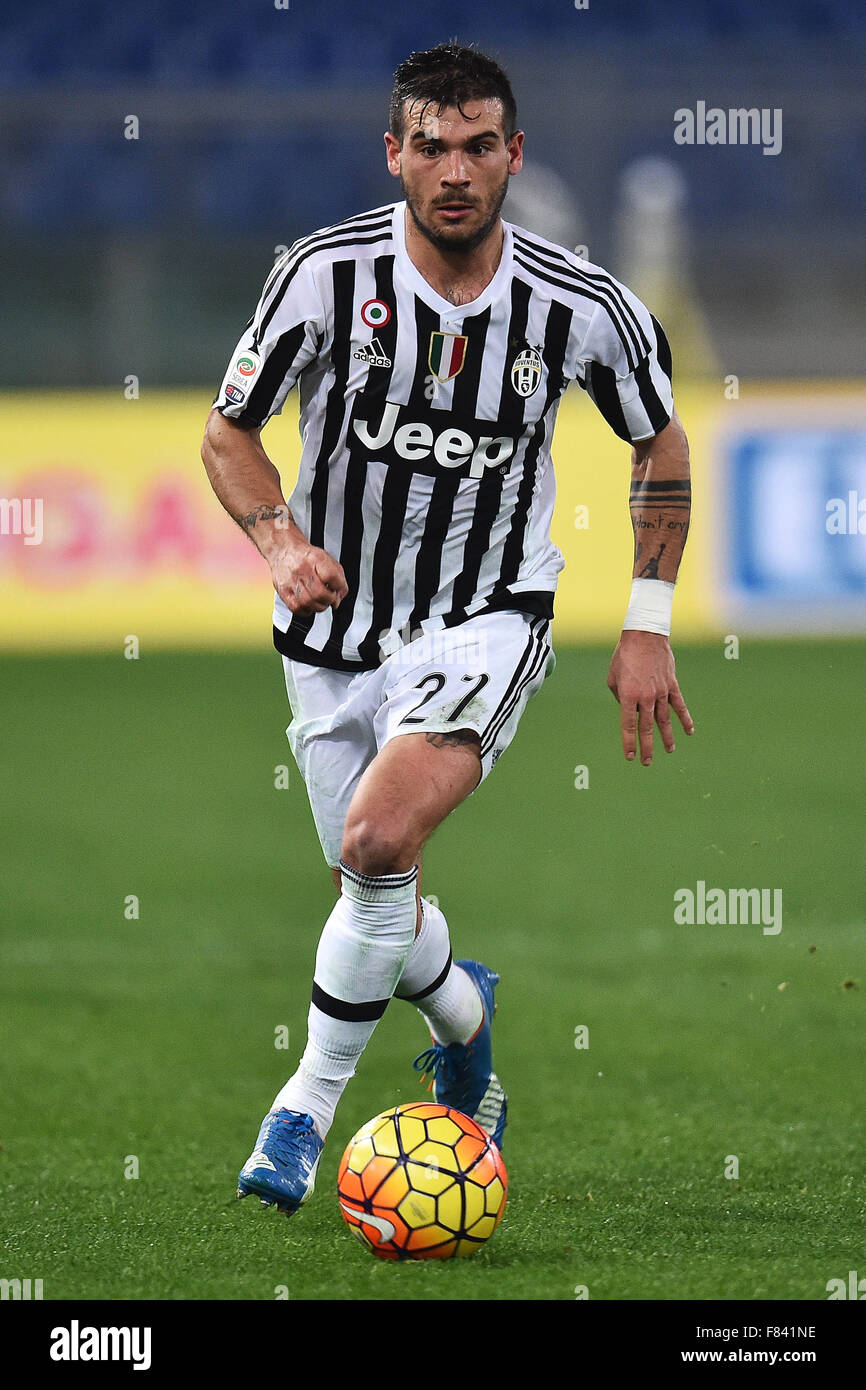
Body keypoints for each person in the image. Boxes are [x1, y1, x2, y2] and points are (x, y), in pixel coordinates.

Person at [201, 41, 693, 1217]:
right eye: (431, 146)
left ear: (512, 155)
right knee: (377, 893)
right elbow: (229, 433)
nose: (455, 170)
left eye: (478, 145)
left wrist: (648, 620)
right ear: (395, 154)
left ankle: (301, 1112)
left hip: (486, 616)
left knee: (374, 844)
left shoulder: (578, 306)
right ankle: (463, 1020)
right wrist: (279, 544)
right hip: (330, 631)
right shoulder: (321, 276)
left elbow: (659, 442)